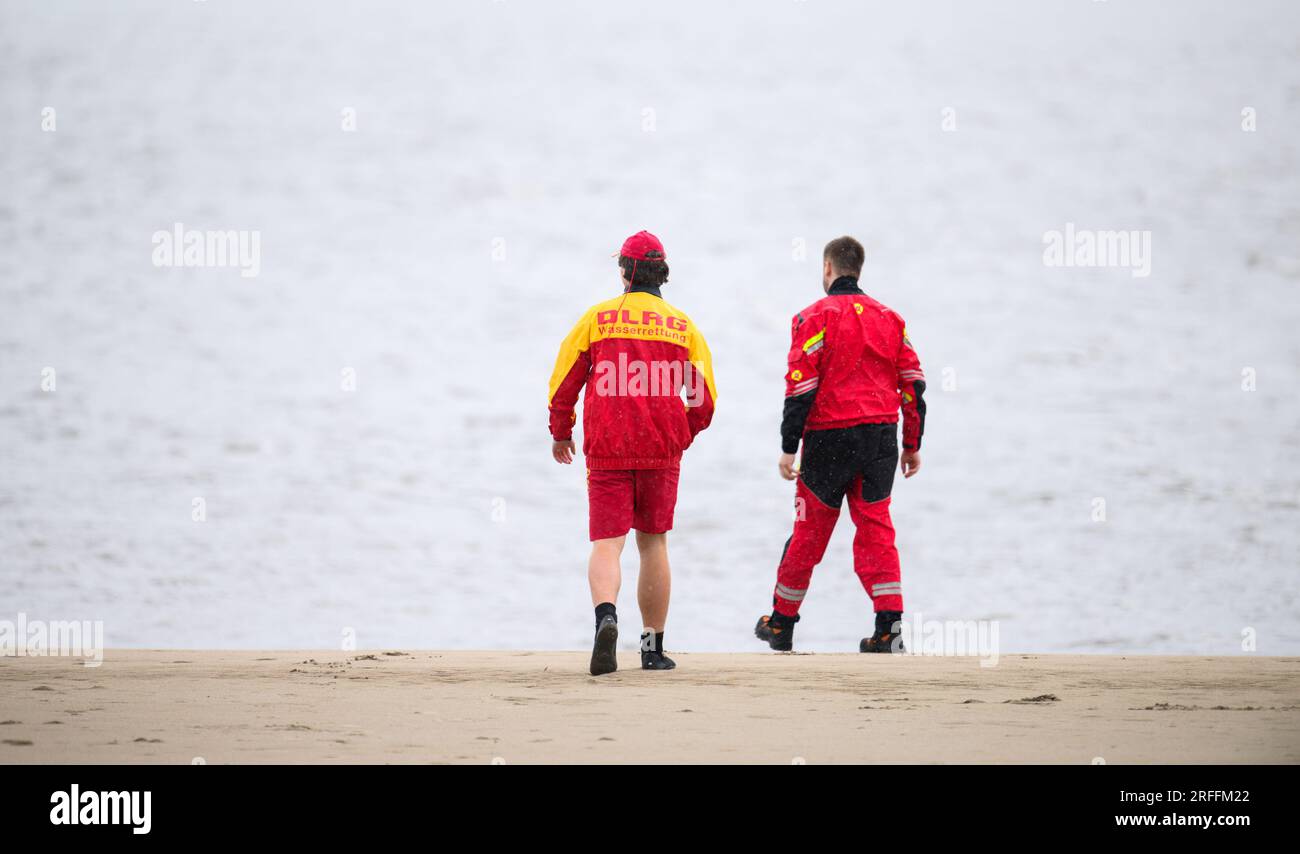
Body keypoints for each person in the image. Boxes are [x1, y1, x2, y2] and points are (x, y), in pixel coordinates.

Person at [548, 231, 717, 675]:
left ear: (624, 272)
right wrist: (682, 434)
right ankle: (651, 649)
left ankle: (606, 617)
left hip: (608, 447)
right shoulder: (683, 326)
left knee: (608, 543)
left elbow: (564, 382)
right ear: (662, 275)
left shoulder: (597, 319)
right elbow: (703, 399)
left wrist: (561, 431)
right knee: (653, 543)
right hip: (661, 449)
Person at [754, 236, 925, 653]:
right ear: (858, 269)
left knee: (809, 531)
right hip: (880, 438)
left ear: (828, 269)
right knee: (876, 529)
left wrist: (788, 446)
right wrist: (911, 443)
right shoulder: (891, 319)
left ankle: (781, 624)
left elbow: (800, 386)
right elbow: (913, 384)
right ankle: (889, 629)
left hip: (830, 438)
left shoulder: (813, 317)